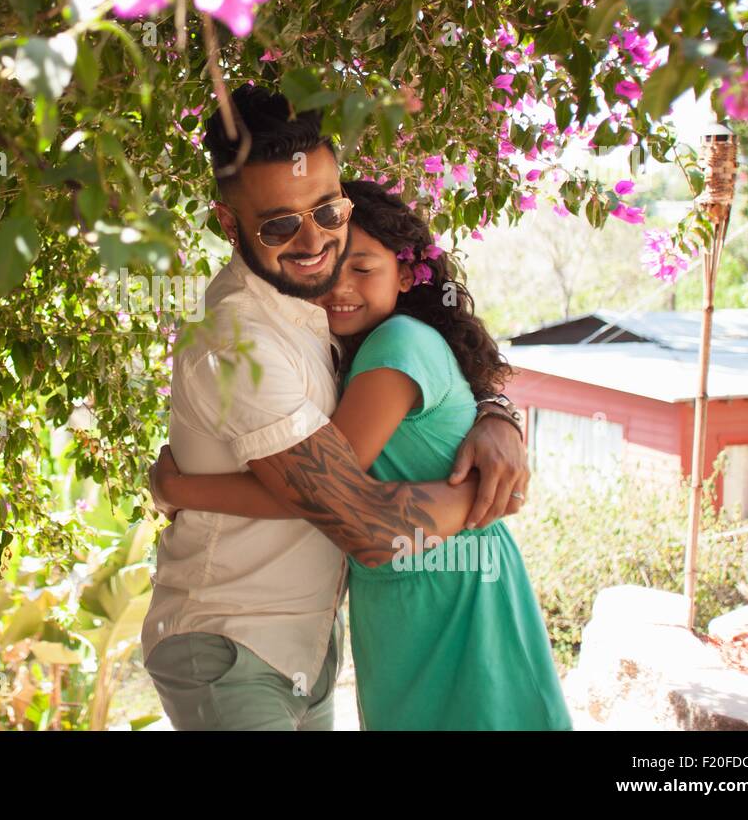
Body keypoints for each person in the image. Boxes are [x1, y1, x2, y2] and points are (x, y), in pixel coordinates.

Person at [139, 84, 530, 730]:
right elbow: (370, 529)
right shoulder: (241, 342)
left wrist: (496, 412)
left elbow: (427, 363)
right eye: (281, 224)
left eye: (327, 210)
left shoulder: (320, 309)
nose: (315, 240)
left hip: (310, 647)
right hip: (230, 642)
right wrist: (499, 498)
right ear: (227, 224)